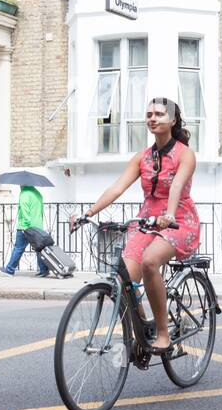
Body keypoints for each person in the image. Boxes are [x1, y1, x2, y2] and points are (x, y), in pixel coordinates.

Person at [73, 97, 200, 352]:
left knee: (150, 261)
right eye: (149, 114)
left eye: (160, 114)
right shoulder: (142, 157)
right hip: (146, 220)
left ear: (172, 120)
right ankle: (142, 330)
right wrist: (88, 213)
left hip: (178, 222)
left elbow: (176, 186)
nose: (152, 118)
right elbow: (117, 187)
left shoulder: (184, 154)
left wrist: (170, 215)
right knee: (124, 280)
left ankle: (163, 334)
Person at [2, 184, 50, 277]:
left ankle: (9, 270)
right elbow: (40, 211)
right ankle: (44, 270)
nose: (19, 185)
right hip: (38, 226)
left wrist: (25, 227)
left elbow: (25, 212)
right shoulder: (37, 193)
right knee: (39, 249)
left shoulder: (24, 194)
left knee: (18, 248)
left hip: (25, 227)